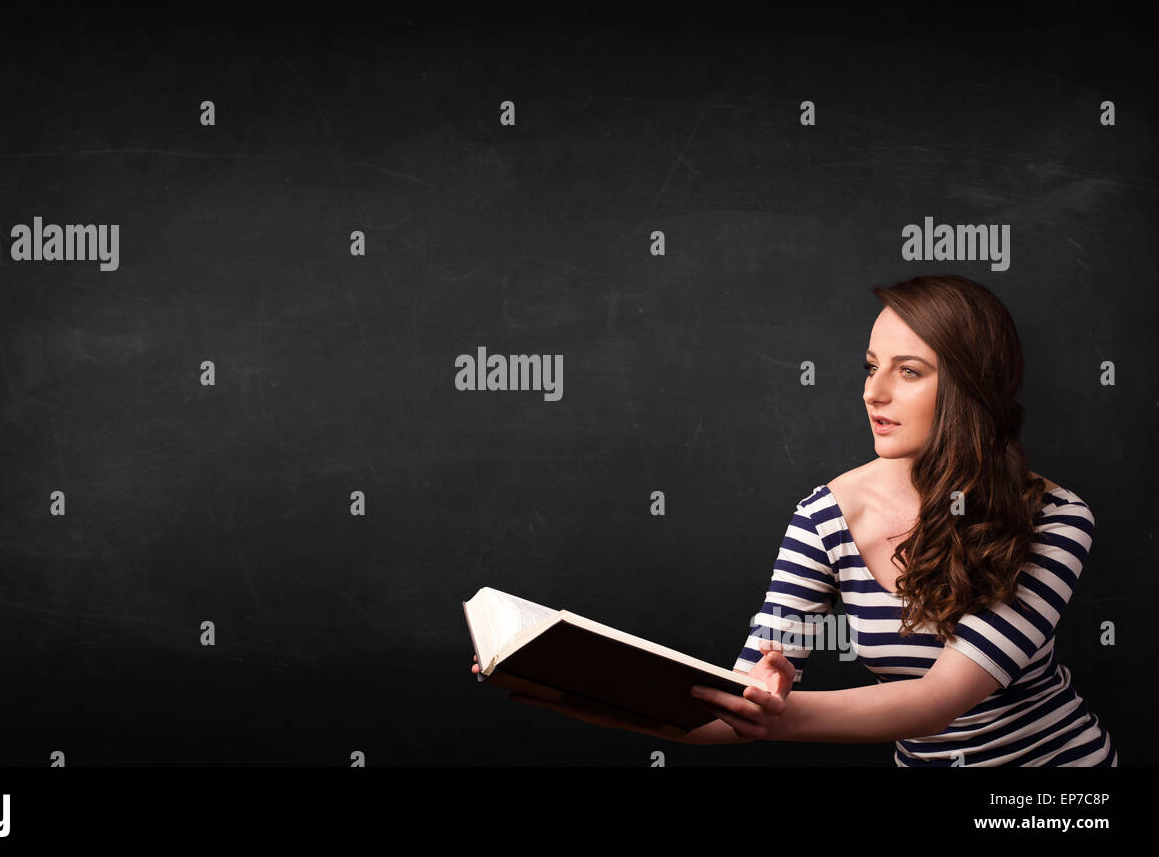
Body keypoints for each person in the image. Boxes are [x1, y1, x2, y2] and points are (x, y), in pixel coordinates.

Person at [472, 275, 1117, 766]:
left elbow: (938, 700)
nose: (873, 392)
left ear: (972, 388)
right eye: (871, 366)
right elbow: (740, 705)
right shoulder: (824, 517)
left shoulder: (1055, 518)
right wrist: (594, 697)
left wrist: (777, 717)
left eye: (909, 372)